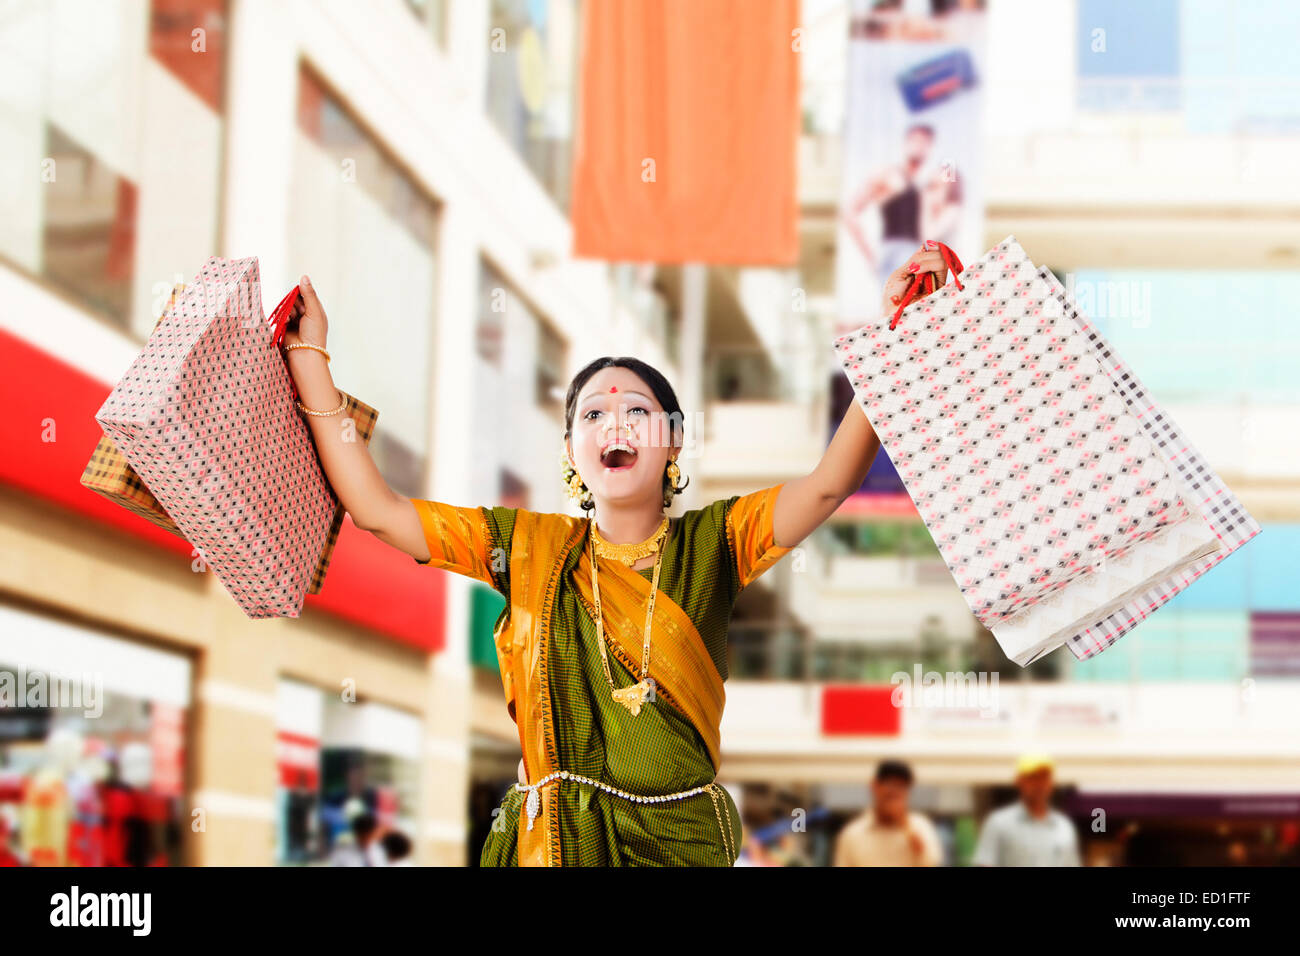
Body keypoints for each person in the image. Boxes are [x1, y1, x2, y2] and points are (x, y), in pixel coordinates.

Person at [281, 247, 949, 866]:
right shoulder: (527, 546)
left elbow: (829, 482)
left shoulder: (717, 541)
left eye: (636, 411)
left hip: (681, 847)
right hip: (552, 847)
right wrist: (311, 359)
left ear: (674, 441)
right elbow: (379, 510)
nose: (615, 424)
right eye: (593, 416)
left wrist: (893, 336)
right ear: (572, 451)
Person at [972, 754, 1082, 867]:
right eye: (1033, 778)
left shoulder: (1064, 827)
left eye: (1044, 778)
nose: (1039, 784)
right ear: (1019, 781)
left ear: (1051, 782)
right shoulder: (999, 823)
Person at [833, 760, 943, 866]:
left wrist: (906, 826)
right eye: (890, 785)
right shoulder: (852, 834)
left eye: (902, 787)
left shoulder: (921, 826)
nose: (896, 793)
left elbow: (931, 862)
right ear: (874, 786)